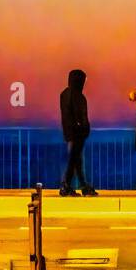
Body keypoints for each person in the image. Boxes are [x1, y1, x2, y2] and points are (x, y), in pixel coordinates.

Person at [59, 69, 97, 197]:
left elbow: (66, 116)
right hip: (77, 134)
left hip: (70, 133)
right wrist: (83, 128)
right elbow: (80, 116)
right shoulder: (78, 96)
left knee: (75, 160)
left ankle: (80, 186)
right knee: (74, 160)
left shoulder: (65, 94)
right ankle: (68, 186)